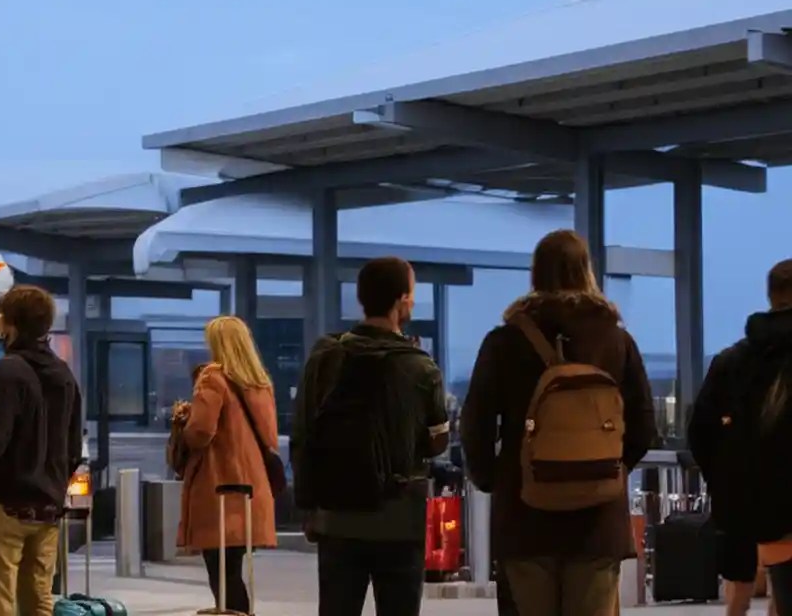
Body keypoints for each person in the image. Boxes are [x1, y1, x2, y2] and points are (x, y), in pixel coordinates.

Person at [460, 229, 656, 616]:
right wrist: (608, 471)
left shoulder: (505, 341)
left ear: (535, 274)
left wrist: (494, 479)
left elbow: (476, 423)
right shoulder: (617, 342)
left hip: (525, 515)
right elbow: (644, 425)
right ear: (586, 271)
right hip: (598, 522)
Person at [291, 256, 450, 616]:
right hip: (399, 519)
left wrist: (309, 507)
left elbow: (302, 434)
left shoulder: (325, 357)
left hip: (337, 517)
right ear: (400, 301)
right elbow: (436, 440)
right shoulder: (420, 367)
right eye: (411, 292)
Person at [0, 285, 83, 616]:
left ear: (10, 324)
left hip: (6, 506)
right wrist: (55, 487)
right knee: (39, 597)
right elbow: (72, 445)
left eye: (0, 317)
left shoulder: (6, 371)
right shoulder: (64, 374)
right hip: (48, 508)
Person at [689, 259, 792, 614]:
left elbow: (699, 433)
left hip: (742, 500)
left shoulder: (730, 361)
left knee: (740, 587)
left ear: (770, 296)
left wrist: (723, 479)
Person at [178, 316, 279, 614]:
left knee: (222, 572)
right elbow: (270, 436)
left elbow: (199, 433)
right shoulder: (260, 383)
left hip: (220, 487)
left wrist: (185, 419)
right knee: (232, 567)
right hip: (252, 490)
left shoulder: (213, 378)